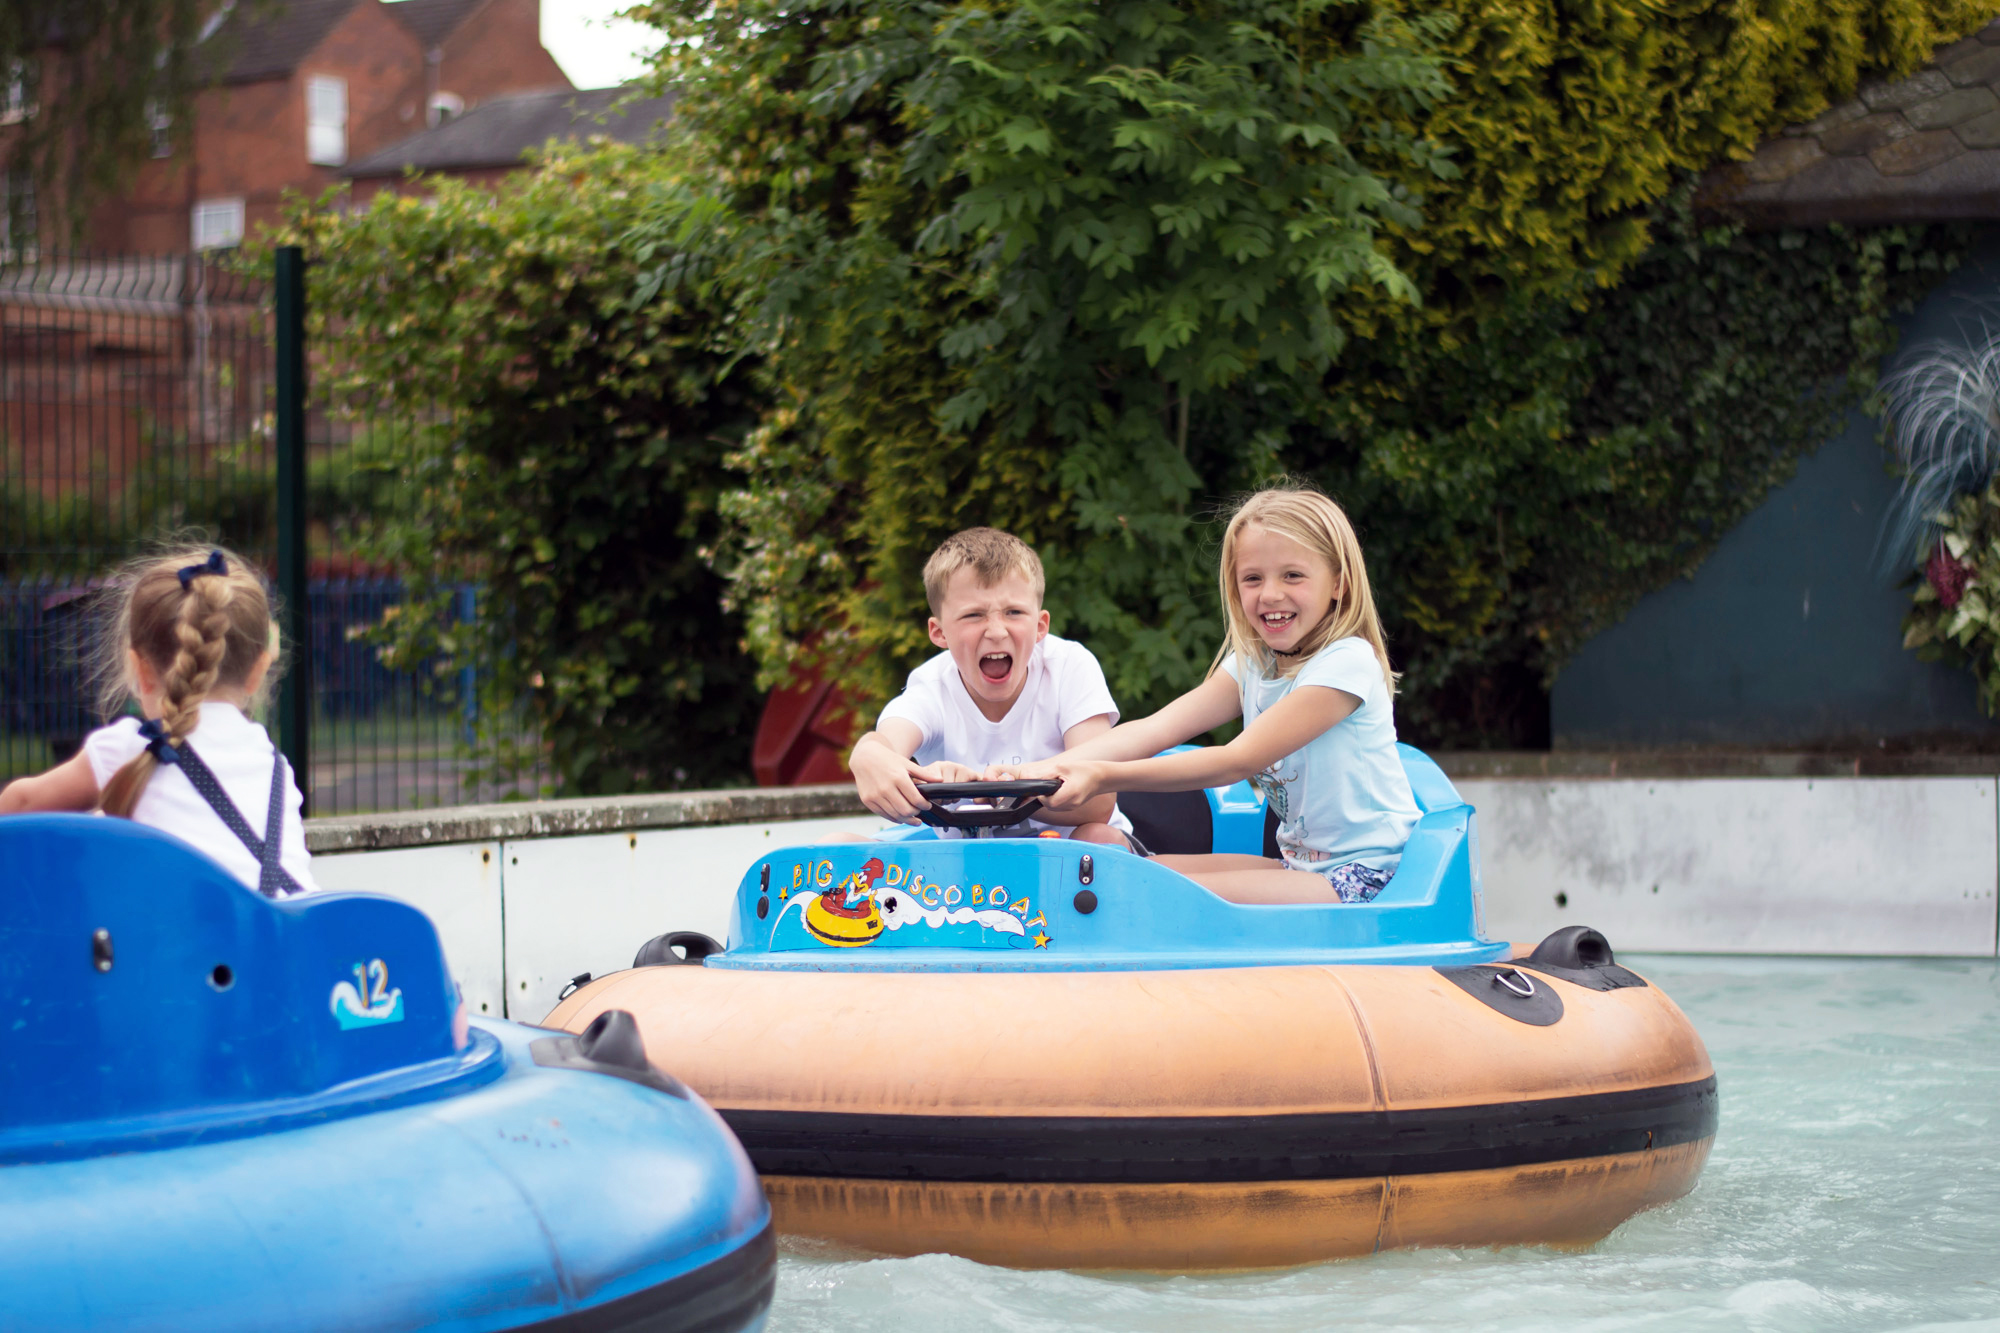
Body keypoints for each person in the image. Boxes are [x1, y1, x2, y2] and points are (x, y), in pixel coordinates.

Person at [990, 484, 1419, 903]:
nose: (1270, 594)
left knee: (1136, 891)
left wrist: (1101, 776)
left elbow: (1236, 760)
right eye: (1252, 578)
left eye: (1293, 575)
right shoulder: (1256, 662)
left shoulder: (1348, 662)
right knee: (1105, 859)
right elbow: (1156, 729)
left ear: (1339, 583)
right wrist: (1032, 771)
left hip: (1370, 877)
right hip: (1301, 866)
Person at [0, 546, 319, 896]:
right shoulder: (274, 763)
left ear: (140, 670)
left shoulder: (131, 747)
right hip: (287, 944)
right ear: (259, 670)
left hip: (190, 947)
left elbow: (21, 805)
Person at [847, 526, 1136, 848]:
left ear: (1040, 625)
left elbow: (1098, 802)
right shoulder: (931, 687)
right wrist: (869, 754)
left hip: (1070, 859)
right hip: (964, 876)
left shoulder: (1069, 666)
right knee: (837, 843)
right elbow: (887, 742)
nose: (996, 631)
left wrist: (994, 793)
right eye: (973, 615)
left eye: (1013, 612)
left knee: (1097, 839)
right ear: (939, 632)